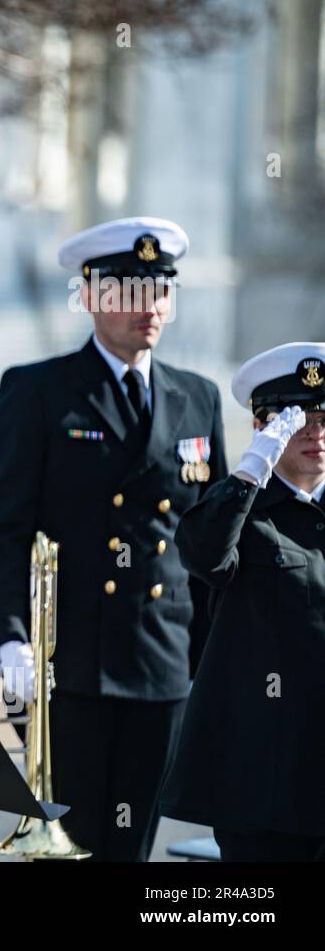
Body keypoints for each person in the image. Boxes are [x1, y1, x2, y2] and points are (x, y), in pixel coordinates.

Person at [0, 217, 227, 861]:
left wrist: (215, 663)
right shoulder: (38, 392)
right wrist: (9, 641)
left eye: (161, 292)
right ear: (92, 297)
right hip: (70, 671)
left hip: (164, 664)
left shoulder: (196, 398)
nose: (151, 309)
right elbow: (1, 532)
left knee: (132, 847)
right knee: (71, 847)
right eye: (132, 293)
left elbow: (209, 546)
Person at [161, 342, 325, 861]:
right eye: (297, 420)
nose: (315, 433)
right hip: (264, 782)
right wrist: (249, 472)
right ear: (264, 427)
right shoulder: (242, 514)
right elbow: (204, 556)